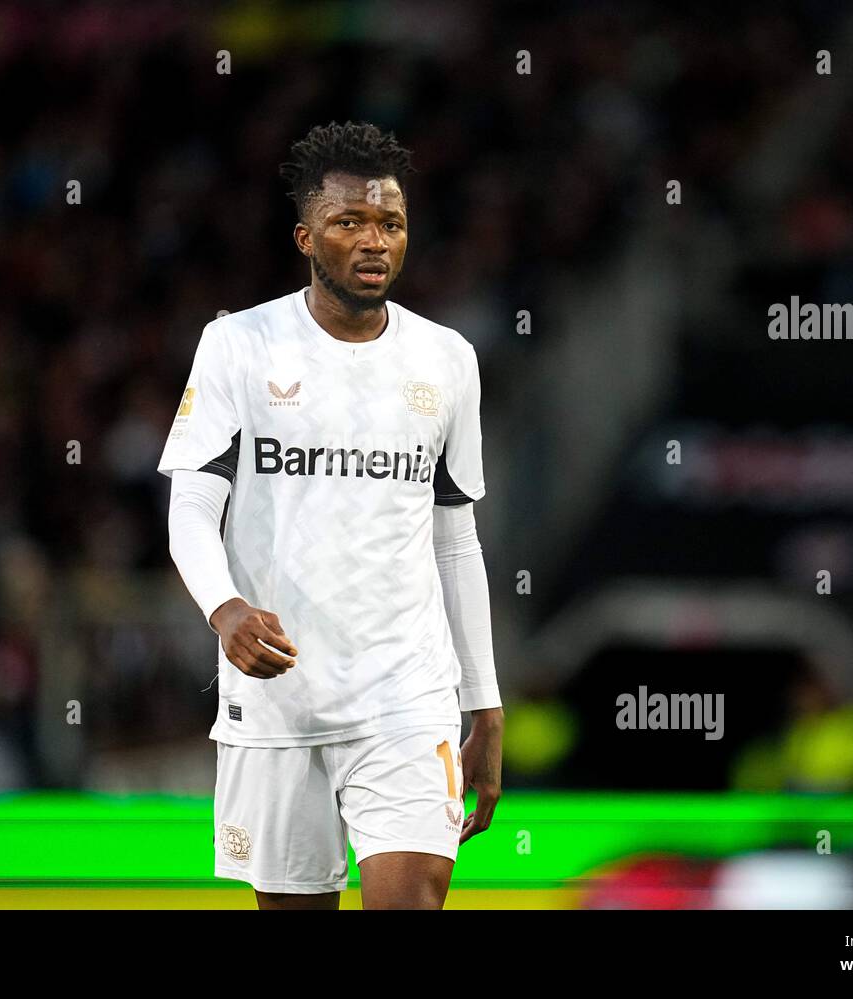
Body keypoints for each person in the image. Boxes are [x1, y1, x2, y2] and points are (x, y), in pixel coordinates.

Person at [159, 121, 503, 909]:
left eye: (391, 223)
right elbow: (191, 507)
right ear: (306, 236)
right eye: (350, 222)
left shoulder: (447, 358)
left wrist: (483, 698)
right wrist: (225, 609)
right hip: (279, 698)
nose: (374, 240)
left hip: (408, 700)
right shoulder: (237, 346)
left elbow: (456, 538)